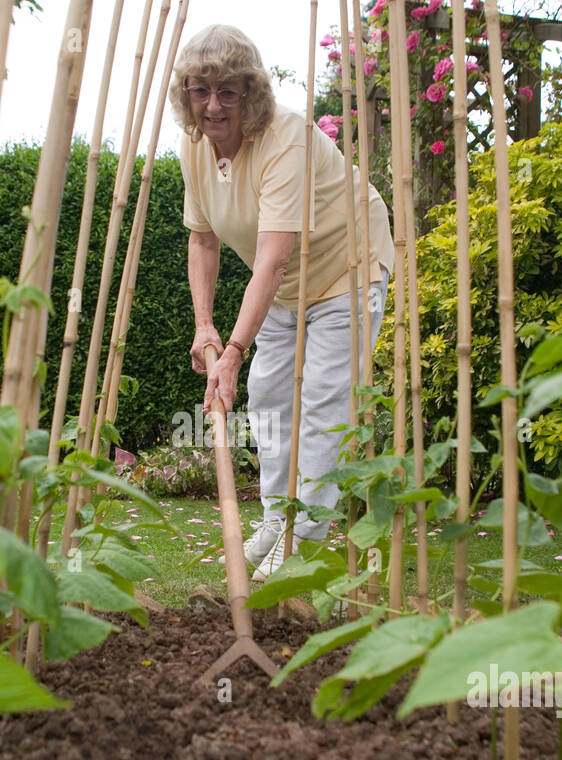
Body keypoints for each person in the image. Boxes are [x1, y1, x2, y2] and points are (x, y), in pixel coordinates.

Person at [171, 24, 394, 581]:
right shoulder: (193, 148)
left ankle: (302, 543)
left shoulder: (285, 137)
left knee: (321, 406)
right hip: (285, 290)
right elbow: (202, 239)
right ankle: (276, 521)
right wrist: (206, 329)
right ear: (187, 96)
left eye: (228, 90)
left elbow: (273, 258)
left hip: (347, 267)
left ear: (251, 93)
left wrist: (235, 347)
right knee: (268, 396)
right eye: (201, 90)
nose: (214, 105)